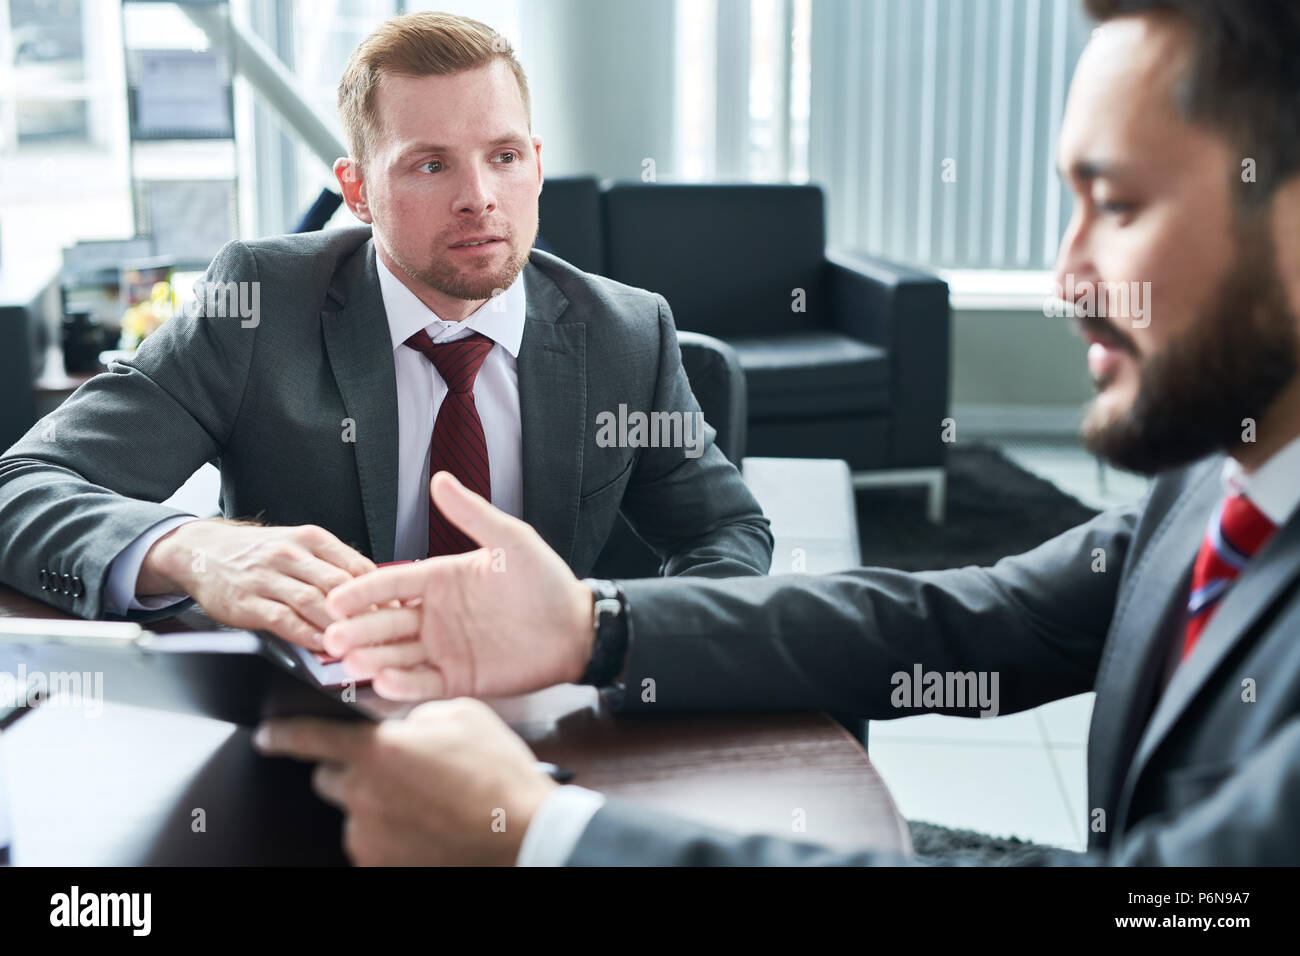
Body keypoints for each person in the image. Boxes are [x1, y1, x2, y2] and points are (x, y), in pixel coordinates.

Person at [255, 0, 1300, 865]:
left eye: (1117, 205)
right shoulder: (1218, 482)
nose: (1065, 280)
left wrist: (548, 837)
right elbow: (974, 622)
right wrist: (592, 624)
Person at [0, 12, 772, 657]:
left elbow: (725, 532)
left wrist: (617, 645)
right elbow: (22, 486)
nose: (479, 198)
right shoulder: (257, 306)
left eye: (504, 157)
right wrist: (189, 548)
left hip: (544, 717)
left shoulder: (626, 333)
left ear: (536, 166)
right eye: (430, 166)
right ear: (358, 190)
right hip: (317, 716)